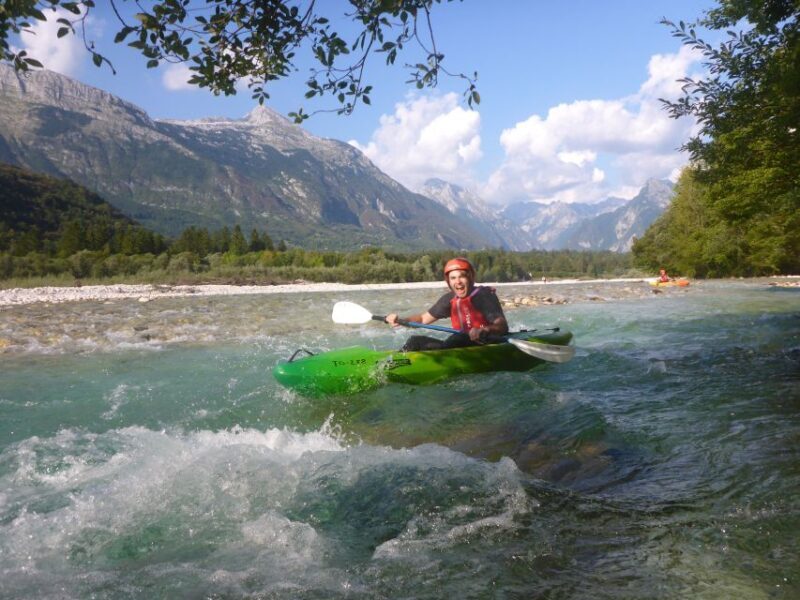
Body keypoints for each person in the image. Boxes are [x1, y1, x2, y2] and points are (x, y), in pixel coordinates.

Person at [386, 257, 509, 351]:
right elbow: (423, 319)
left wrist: (484, 330)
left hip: (489, 342)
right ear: (448, 281)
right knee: (415, 341)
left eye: (462, 277)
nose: (458, 282)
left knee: (458, 337)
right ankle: (394, 364)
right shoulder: (449, 299)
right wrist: (401, 320)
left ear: (471, 278)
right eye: (453, 278)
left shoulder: (484, 296)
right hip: (459, 344)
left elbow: (502, 326)